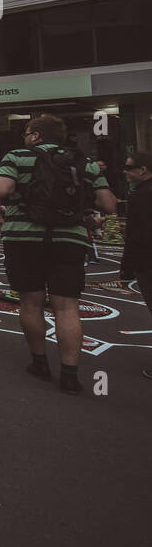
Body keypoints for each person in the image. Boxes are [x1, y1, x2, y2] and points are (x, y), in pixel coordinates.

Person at [0, 113, 116, 395]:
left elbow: (1, 188)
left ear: (35, 136)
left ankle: (40, 363)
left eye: (27, 131)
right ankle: (70, 374)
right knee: (67, 306)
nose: (25, 136)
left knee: (31, 302)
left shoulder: (18, 156)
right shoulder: (84, 162)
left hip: (24, 237)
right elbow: (108, 204)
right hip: (69, 238)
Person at [115, 154, 152, 380]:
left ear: (143, 169)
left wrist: (126, 269)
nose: (125, 172)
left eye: (129, 168)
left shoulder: (141, 196)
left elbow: (135, 235)